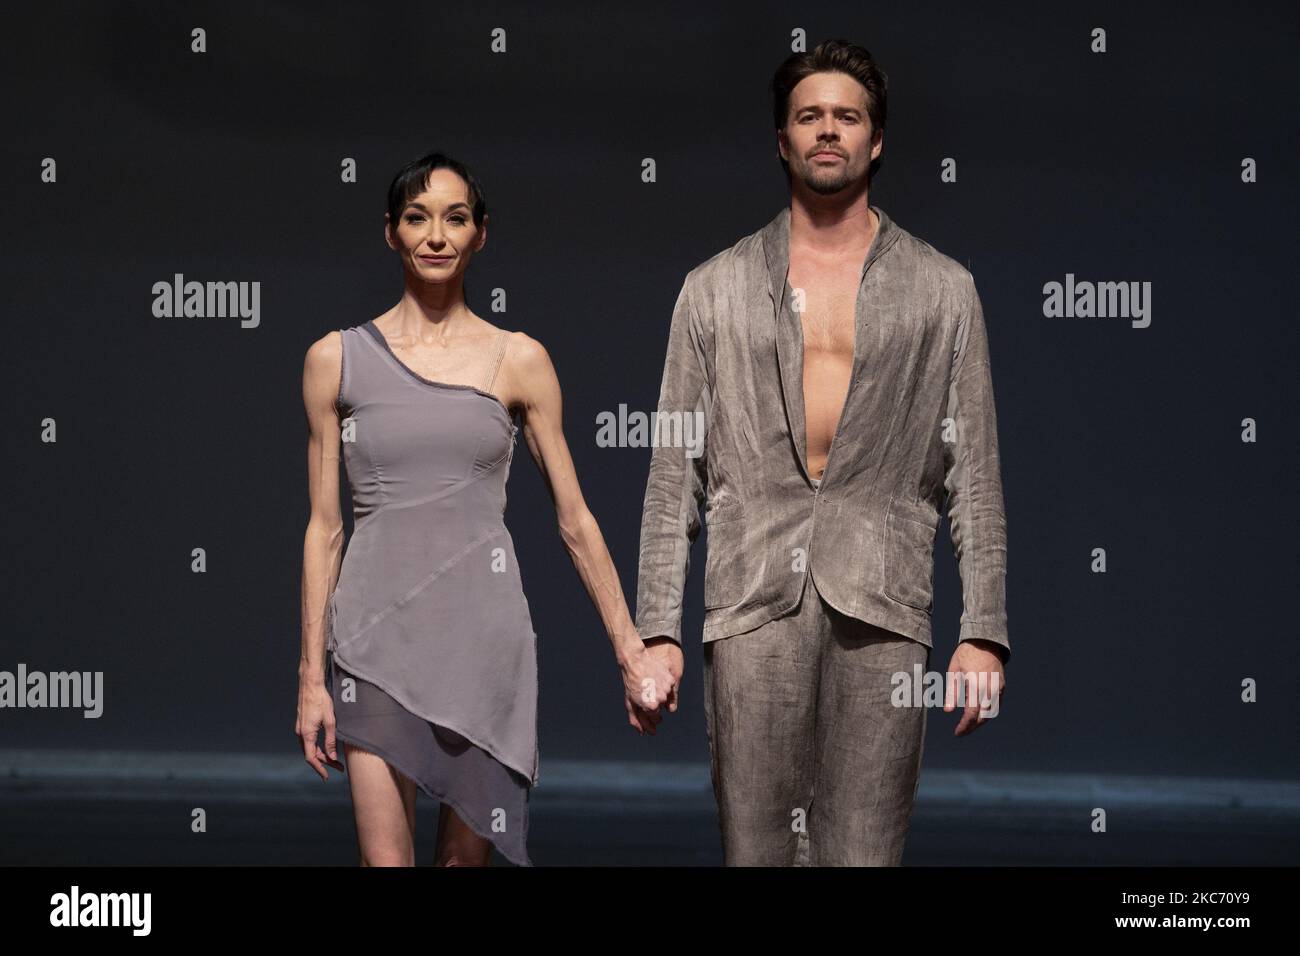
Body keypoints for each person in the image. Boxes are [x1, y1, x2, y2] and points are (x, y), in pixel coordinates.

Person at [633, 39, 1010, 865]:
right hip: (750, 602)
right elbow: (673, 475)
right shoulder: (714, 287)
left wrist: (983, 630)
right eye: (809, 116)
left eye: (847, 117)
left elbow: (973, 472)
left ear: (877, 141)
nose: (827, 131)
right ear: (782, 140)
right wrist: (655, 628)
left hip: (884, 602)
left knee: (865, 854)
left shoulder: (945, 289)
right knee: (756, 855)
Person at [295, 151, 674, 866]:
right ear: (391, 233)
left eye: (455, 218)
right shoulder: (334, 360)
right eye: (417, 218)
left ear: (479, 235)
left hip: (482, 643)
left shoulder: (518, 359)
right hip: (371, 641)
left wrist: (631, 651)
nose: (436, 235)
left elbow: (575, 518)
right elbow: (325, 528)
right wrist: (311, 679)